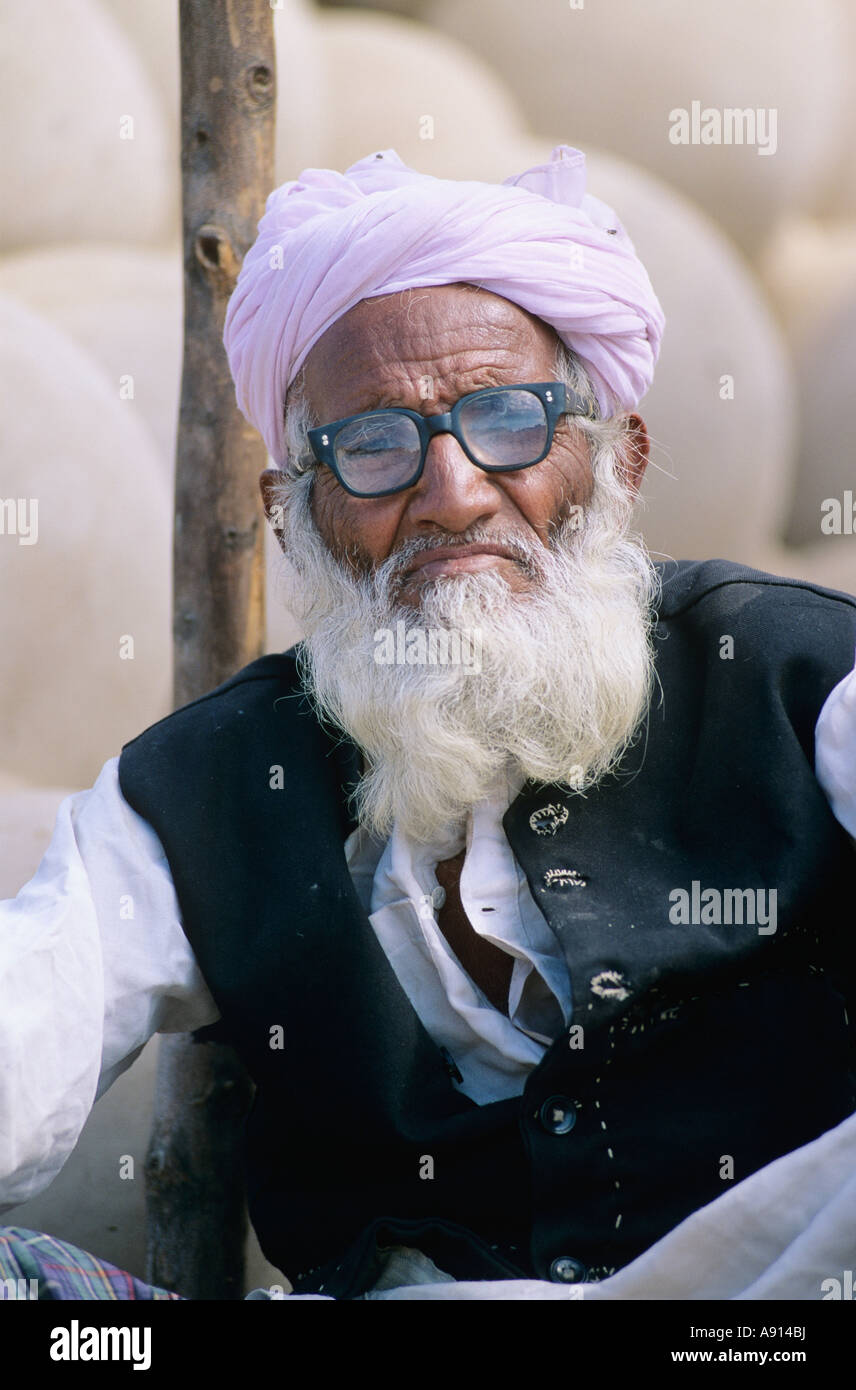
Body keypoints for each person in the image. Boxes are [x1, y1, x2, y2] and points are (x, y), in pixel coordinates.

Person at [1, 146, 854, 1302]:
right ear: (291, 515)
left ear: (617, 461)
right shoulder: (202, 789)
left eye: (508, 420)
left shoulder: (794, 674)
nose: (451, 492)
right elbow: (29, 1019)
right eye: (374, 447)